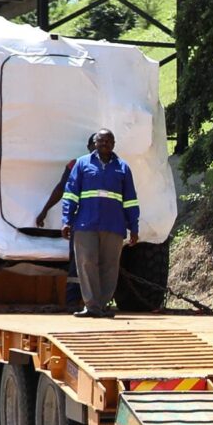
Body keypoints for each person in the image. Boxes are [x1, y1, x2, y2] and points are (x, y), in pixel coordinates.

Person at [34, 128, 139, 317]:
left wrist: (134, 227)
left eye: (108, 141)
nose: (104, 144)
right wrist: (67, 220)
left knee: (110, 265)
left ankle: (103, 305)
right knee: (86, 262)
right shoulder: (81, 164)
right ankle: (91, 306)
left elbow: (130, 200)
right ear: (94, 144)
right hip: (85, 224)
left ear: (114, 144)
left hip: (113, 225)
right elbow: (70, 194)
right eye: (101, 141)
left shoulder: (123, 168)